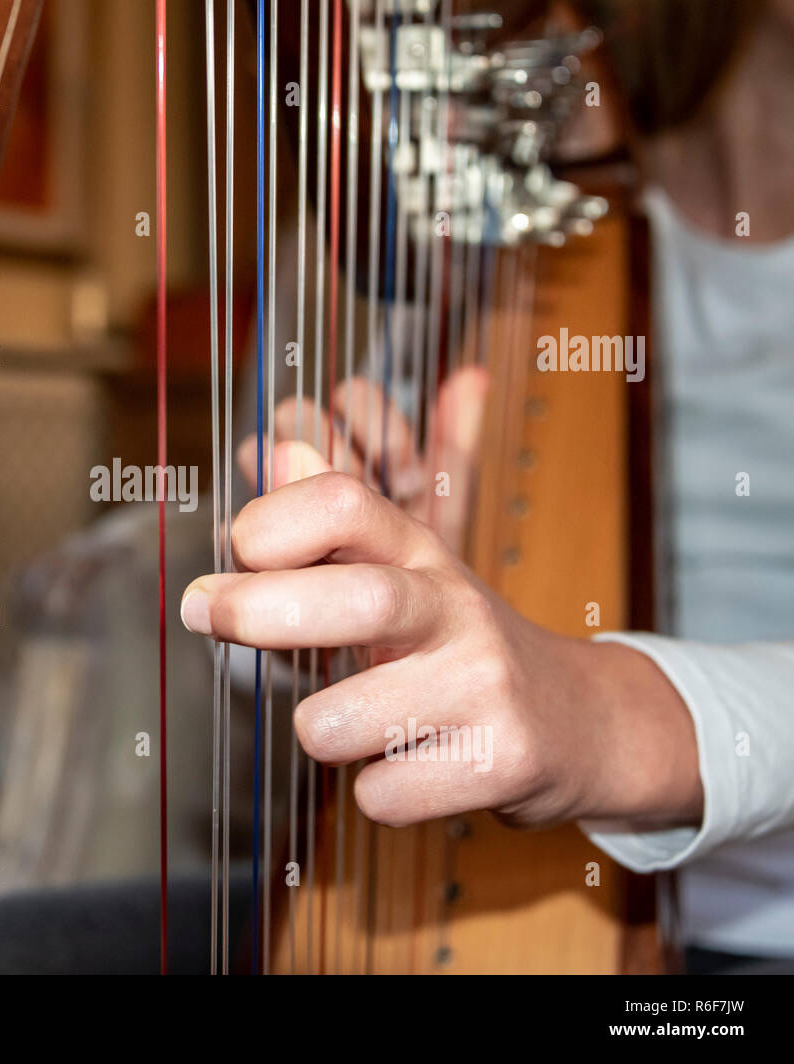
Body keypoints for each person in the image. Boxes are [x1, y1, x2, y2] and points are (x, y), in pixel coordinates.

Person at [182, 0, 794, 973]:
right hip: (467, 873)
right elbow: (259, 677)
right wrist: (347, 594)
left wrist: (602, 717)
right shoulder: (511, 228)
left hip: (764, 927)